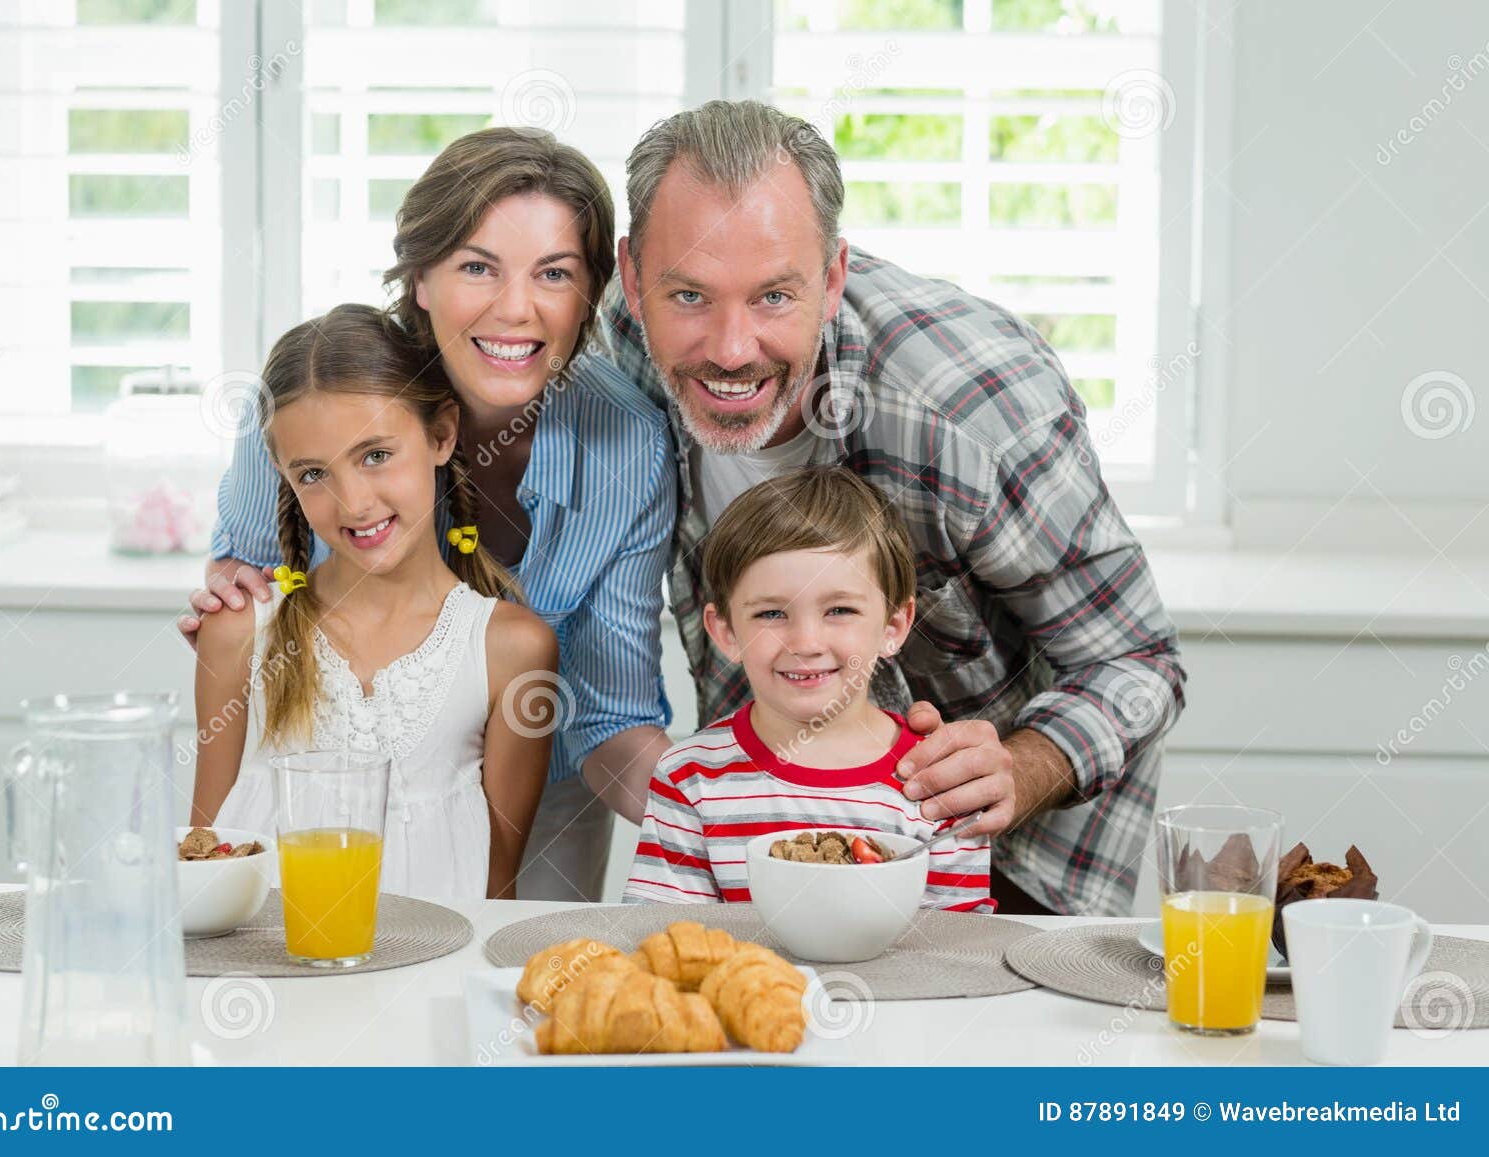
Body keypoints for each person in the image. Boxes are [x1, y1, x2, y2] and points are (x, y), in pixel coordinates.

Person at [602, 100, 1187, 917]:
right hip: (763, 844)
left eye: (774, 297)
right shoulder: (611, 349)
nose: (731, 348)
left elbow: (1136, 662)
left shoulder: (973, 412)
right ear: (633, 278)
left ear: (834, 274)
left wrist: (1022, 766)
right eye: (690, 296)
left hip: (999, 849)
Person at [182, 128, 675, 901]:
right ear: (419, 277)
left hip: (540, 801)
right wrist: (229, 618)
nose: (516, 310)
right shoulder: (312, 399)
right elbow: (253, 584)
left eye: (554, 273)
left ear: (593, 294)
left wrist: (725, 818)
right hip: (314, 808)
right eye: (478, 267)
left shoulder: (631, 445)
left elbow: (610, 711)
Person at [190, 303, 555, 900]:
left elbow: (498, 888)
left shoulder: (511, 649)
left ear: (441, 435)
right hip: (268, 983)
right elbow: (204, 858)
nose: (354, 503)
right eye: (312, 474)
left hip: (433, 978)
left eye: (376, 456)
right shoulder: (238, 633)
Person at [624, 467, 995, 912]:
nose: (804, 644)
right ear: (725, 632)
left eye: (839, 609)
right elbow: (667, 943)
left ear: (893, 626)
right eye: (771, 614)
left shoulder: (940, 779)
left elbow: (955, 951)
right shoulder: (689, 776)